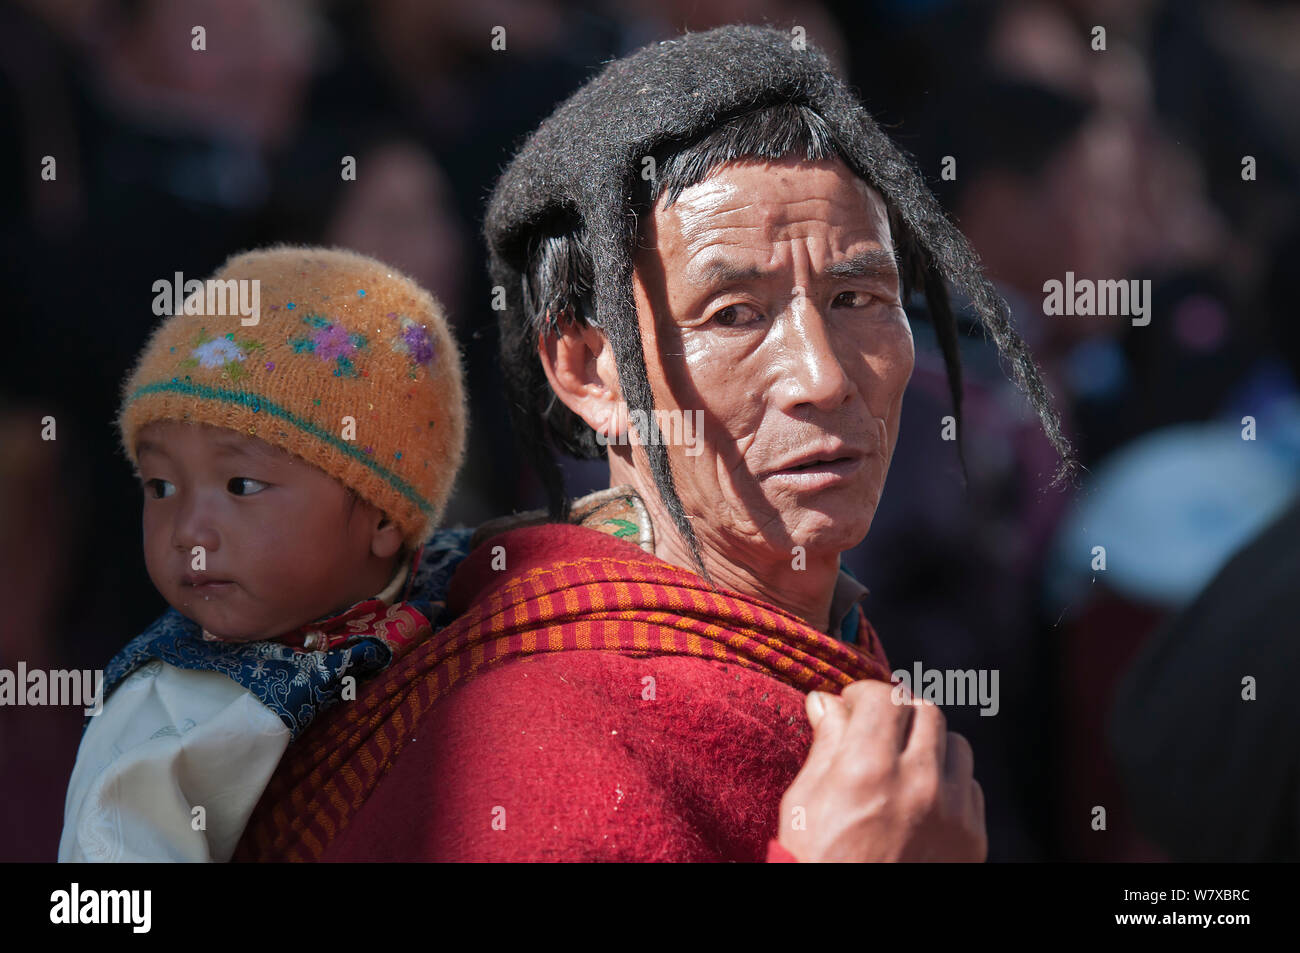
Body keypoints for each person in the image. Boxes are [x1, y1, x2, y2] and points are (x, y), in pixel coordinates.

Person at [235, 24, 1076, 863]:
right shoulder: (538, 757)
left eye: (856, 296)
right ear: (590, 372)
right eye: (734, 315)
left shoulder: (805, 637)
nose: (822, 375)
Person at [59, 246, 467, 861]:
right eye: (160, 487)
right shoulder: (163, 717)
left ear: (383, 516)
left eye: (241, 486)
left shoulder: (460, 583)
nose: (189, 531)